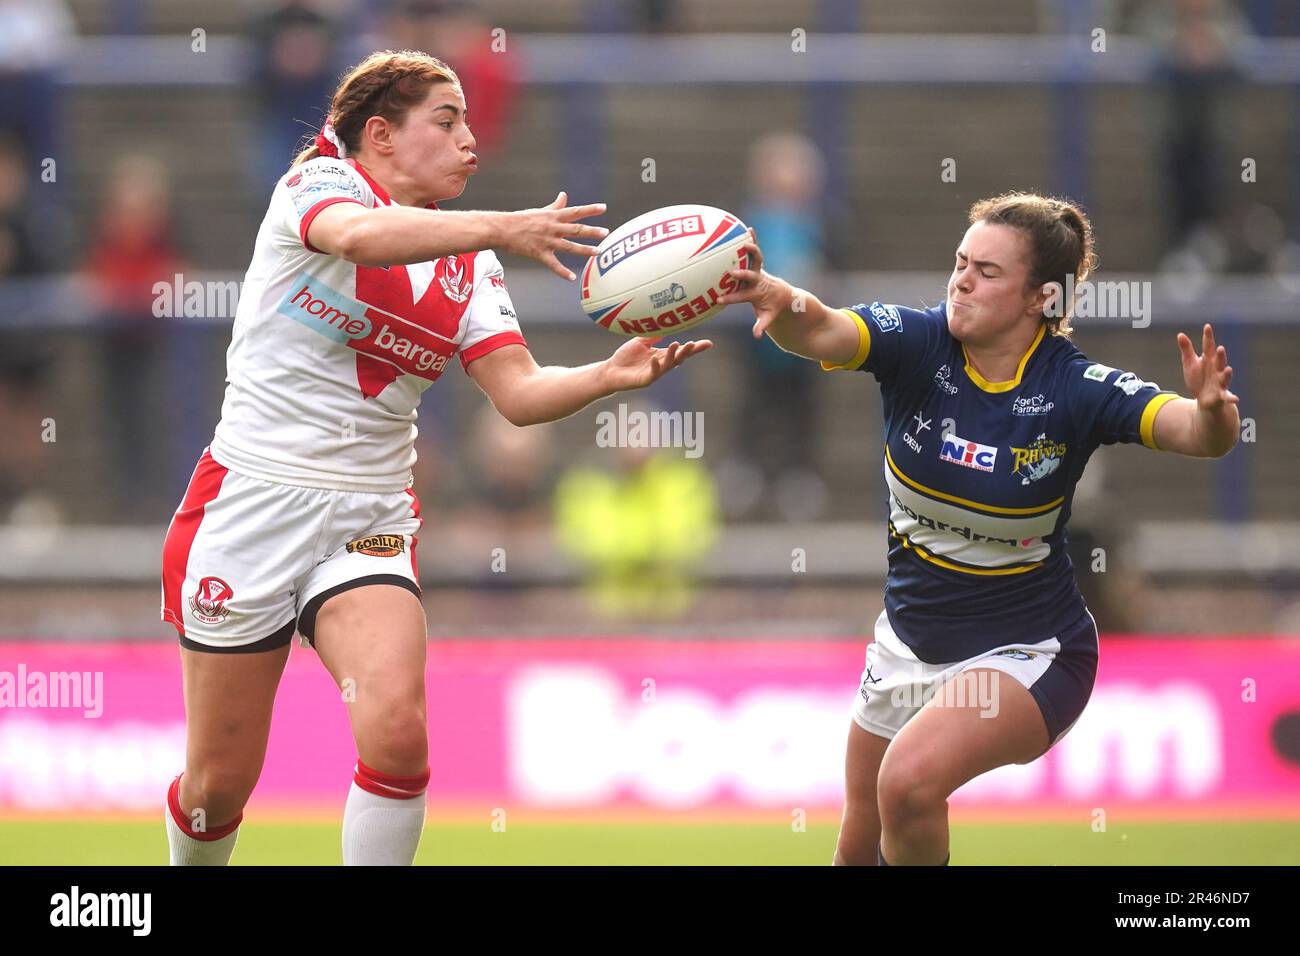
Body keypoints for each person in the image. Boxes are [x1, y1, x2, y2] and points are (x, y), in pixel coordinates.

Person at [159, 50, 711, 866]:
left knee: (399, 734)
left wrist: (609, 375)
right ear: (379, 135)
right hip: (250, 506)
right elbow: (358, 237)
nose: (470, 141)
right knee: (217, 788)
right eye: (447, 121)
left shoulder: (468, 261)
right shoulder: (317, 185)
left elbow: (517, 392)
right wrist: (503, 224)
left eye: (467, 122)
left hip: (371, 513)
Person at [717, 191, 1240, 865]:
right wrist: (774, 295)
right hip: (905, 643)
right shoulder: (917, 343)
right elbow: (819, 328)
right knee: (857, 844)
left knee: (907, 782)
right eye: (961, 262)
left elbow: (1198, 434)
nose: (962, 279)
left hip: (1029, 650)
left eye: (988, 271)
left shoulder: (1075, 387)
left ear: (1040, 299)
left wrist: (1214, 412)